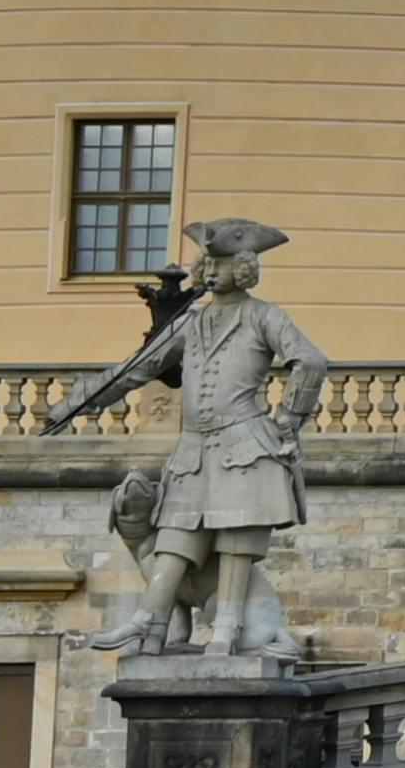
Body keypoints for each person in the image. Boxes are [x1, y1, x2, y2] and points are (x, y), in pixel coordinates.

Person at [46, 219, 330, 660]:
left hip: (246, 442)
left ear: (244, 268)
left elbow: (310, 361)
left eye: (221, 262)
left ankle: (227, 628)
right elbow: (138, 367)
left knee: (237, 540)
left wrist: (289, 419)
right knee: (175, 534)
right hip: (195, 447)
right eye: (207, 262)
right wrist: (76, 404)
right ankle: (149, 618)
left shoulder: (264, 315)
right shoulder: (190, 324)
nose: (211, 271)